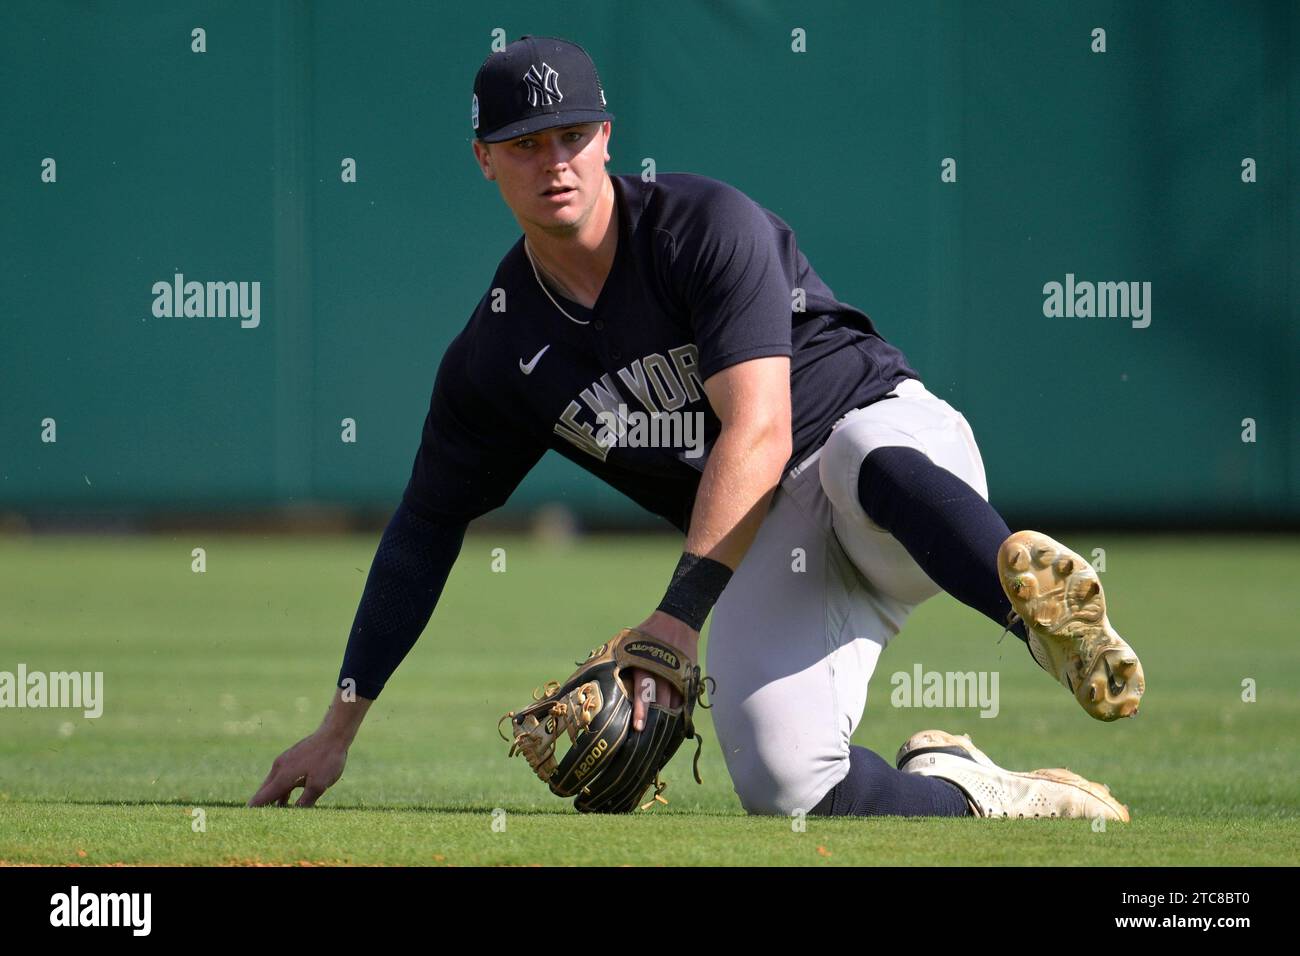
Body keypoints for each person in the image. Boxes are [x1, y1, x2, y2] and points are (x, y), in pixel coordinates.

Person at [249, 35, 1144, 819]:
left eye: (572, 137)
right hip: (768, 540)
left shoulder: (702, 227)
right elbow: (423, 531)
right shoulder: (498, 349)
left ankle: (1039, 623)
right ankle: (980, 790)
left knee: (854, 454)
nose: (553, 162)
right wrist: (339, 728)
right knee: (783, 780)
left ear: (607, 139)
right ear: (484, 158)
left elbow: (759, 431)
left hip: (893, 464)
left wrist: (677, 621)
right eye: (524, 145)